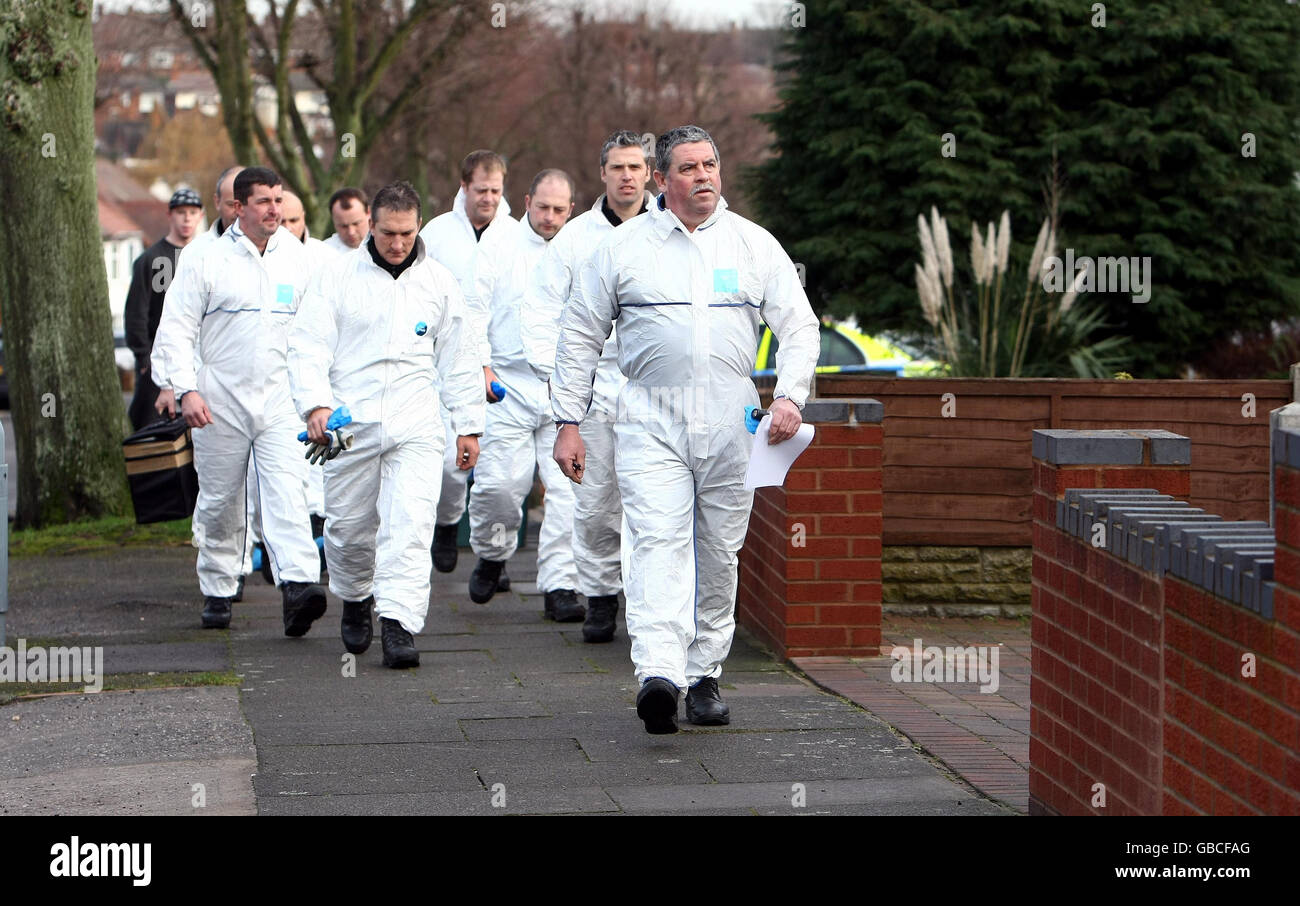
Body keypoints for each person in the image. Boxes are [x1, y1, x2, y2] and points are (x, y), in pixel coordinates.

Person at [551, 125, 819, 734]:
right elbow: (578, 337)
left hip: (730, 423)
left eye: (711, 165)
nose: (704, 177)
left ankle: (703, 676)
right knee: (655, 539)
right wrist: (568, 422)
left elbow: (799, 327)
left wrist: (791, 397)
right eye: (690, 168)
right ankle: (658, 673)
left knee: (719, 551)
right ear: (661, 180)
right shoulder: (621, 250)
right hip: (649, 420)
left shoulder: (753, 246)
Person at [289, 181, 485, 668]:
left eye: (405, 233)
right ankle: (355, 598)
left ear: (418, 226)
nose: (397, 244)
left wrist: (468, 425)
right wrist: (314, 405)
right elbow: (308, 344)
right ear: (370, 227)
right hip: (349, 424)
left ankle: (397, 623)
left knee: (410, 524)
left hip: (416, 420)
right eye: (387, 233)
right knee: (350, 529)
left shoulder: (438, 282)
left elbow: (460, 357)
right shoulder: (335, 278)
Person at [151, 166, 329, 635]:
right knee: (221, 499)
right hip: (219, 400)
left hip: (279, 400)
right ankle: (218, 587)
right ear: (238, 208)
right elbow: (176, 329)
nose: (275, 210)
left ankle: (297, 586)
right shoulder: (204, 259)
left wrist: (319, 398)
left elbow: (320, 333)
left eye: (279, 200)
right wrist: (185, 389)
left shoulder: (300, 258)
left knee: (288, 493)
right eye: (265, 202)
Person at [524, 130, 653, 642]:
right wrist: (562, 387)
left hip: (652, 390)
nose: (626, 176)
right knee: (596, 502)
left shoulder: (668, 232)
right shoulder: (574, 240)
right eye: (617, 167)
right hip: (593, 389)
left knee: (652, 502)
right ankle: (599, 597)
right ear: (602, 174)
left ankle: (648, 606)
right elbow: (539, 313)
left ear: (649, 174)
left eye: (635, 167)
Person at [465, 169, 579, 617]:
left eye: (559, 210)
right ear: (527, 200)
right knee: (500, 486)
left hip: (562, 389)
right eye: (542, 207)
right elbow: (473, 310)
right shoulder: (498, 244)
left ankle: (559, 587)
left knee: (568, 492)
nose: (549, 218)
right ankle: (492, 553)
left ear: (571, 209)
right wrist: (481, 364)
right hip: (506, 386)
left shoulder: (582, 249)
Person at [418, 151, 515, 575]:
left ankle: (496, 559)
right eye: (481, 190)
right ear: (464, 187)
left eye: (496, 190)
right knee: (450, 463)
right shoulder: (436, 234)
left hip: (505, 371)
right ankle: (445, 522)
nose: (489, 198)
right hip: (446, 366)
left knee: (503, 478)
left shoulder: (514, 237)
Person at [124, 187, 203, 429]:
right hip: (157, 365)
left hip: (198, 362)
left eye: (192, 212)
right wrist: (145, 359)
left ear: (200, 215)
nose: (187, 218)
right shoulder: (150, 260)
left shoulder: (205, 258)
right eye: (181, 212)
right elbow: (136, 314)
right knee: (153, 431)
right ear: (170, 215)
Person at [324, 187, 369, 252]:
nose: (351, 232)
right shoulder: (323, 254)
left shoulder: (386, 244)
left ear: (369, 213)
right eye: (343, 226)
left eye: (356, 223)